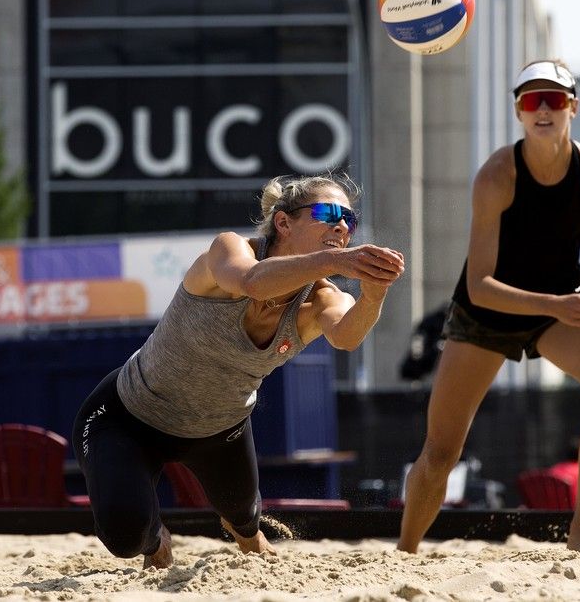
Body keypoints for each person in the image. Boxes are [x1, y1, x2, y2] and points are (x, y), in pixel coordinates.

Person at [397, 59, 580, 553]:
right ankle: (406, 551)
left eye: (555, 99)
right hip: (487, 316)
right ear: (519, 111)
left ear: (573, 108)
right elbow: (479, 287)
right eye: (531, 100)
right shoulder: (497, 176)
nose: (543, 108)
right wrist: (556, 305)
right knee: (441, 451)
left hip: (556, 309)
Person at [73, 174, 404, 568]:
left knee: (246, 524)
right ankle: (156, 540)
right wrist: (335, 259)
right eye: (328, 213)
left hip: (219, 429)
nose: (342, 226)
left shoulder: (322, 298)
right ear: (283, 223)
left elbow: (347, 336)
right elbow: (253, 283)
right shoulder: (230, 248)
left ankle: (251, 542)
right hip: (129, 415)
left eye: (349, 218)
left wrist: (375, 292)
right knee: (126, 539)